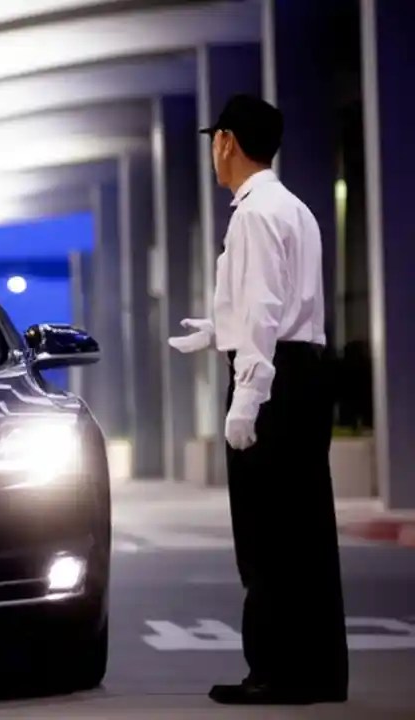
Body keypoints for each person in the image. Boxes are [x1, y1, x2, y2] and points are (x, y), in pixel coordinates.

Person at [169, 93, 349, 705]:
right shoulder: (292, 207)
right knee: (306, 532)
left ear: (226, 141)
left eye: (214, 141)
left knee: (267, 535)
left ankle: (274, 673)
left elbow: (268, 309)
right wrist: (217, 331)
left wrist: (247, 398)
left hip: (275, 383)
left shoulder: (252, 214)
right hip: (302, 374)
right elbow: (279, 306)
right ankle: (318, 672)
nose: (213, 153)